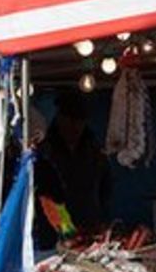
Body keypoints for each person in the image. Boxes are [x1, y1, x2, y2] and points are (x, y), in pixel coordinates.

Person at [35, 91, 111, 249]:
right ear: (60, 118)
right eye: (70, 120)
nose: (75, 127)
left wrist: (99, 216)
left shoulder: (93, 149)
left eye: (79, 121)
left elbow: (106, 185)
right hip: (54, 232)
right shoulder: (45, 151)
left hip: (90, 225)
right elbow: (43, 194)